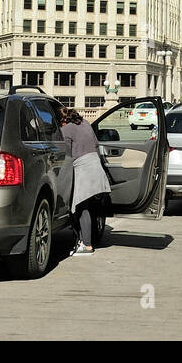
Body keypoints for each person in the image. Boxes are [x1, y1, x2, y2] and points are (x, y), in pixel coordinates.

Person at [62, 110, 111, 257]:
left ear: (64, 120)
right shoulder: (86, 124)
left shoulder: (66, 129)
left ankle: (87, 245)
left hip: (83, 169)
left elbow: (66, 153)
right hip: (95, 165)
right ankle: (83, 241)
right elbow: (96, 145)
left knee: (81, 207)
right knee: (88, 206)